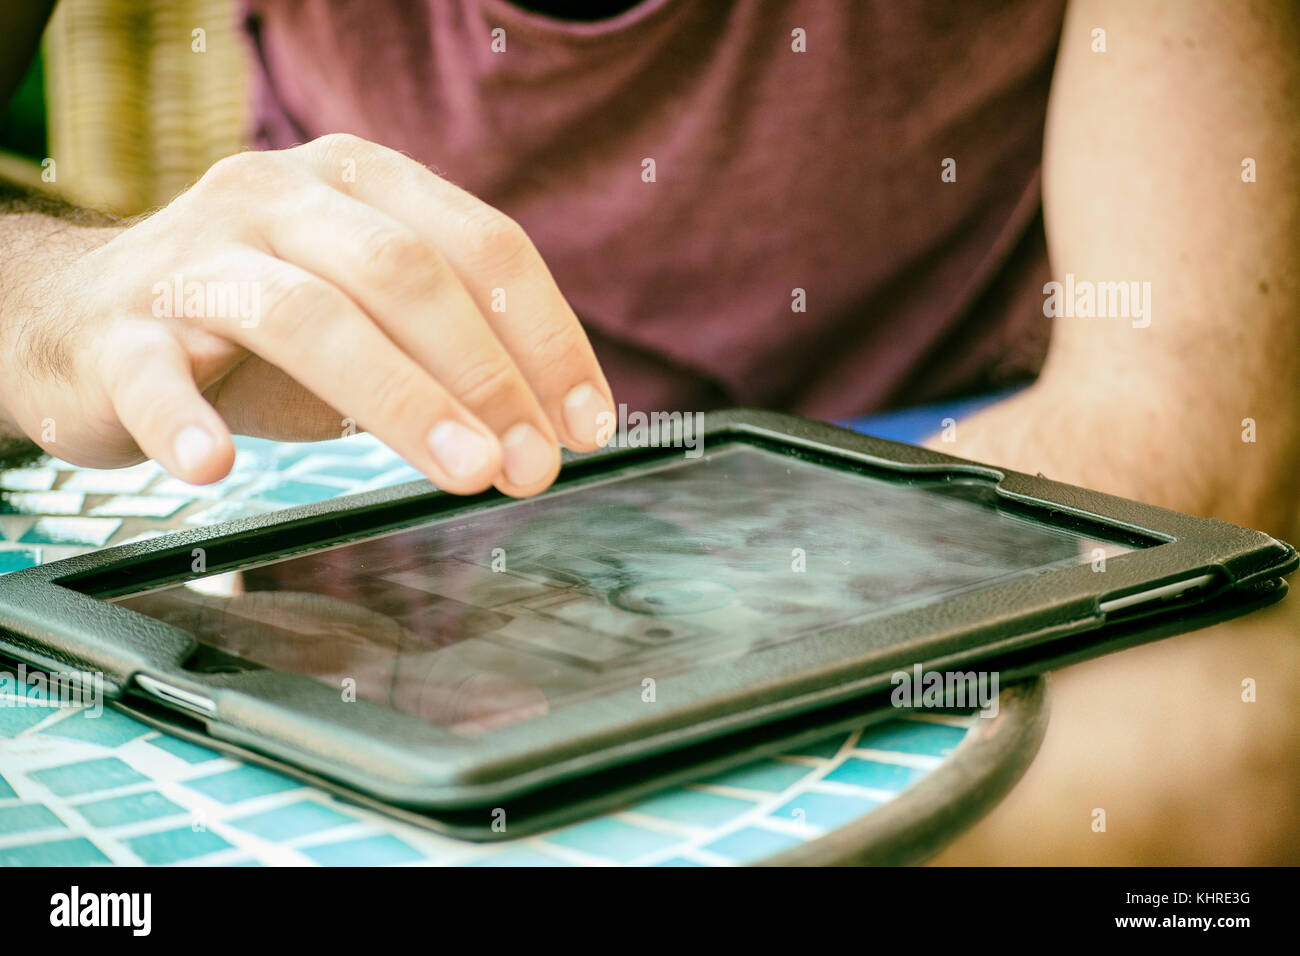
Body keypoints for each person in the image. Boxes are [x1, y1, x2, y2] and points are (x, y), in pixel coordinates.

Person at [0, 0, 1296, 863]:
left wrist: (591, 621)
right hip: (361, 535)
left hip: (972, 505)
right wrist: (47, 297)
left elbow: (1179, 421)